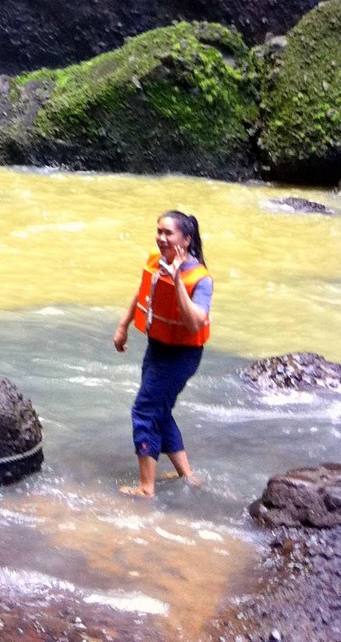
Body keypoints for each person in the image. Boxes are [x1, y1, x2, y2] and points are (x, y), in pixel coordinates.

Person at [113, 210, 213, 497]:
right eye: (159, 231)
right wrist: (123, 326)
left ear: (186, 239)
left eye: (168, 233)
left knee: (143, 410)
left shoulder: (201, 279)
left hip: (182, 355)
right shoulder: (155, 261)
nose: (161, 238)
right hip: (158, 346)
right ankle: (188, 476)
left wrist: (177, 278)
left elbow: (195, 320)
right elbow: (142, 292)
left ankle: (146, 489)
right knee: (159, 409)